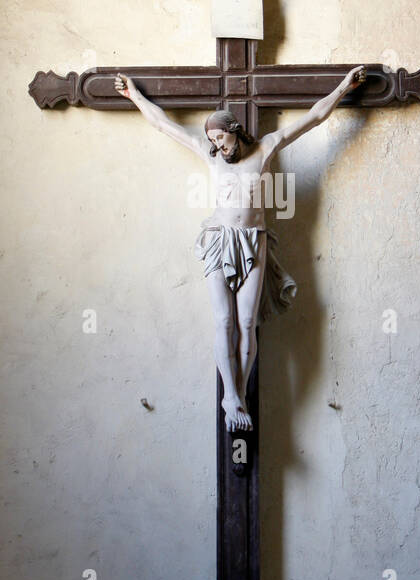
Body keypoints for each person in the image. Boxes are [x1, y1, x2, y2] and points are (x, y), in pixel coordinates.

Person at [114, 65, 366, 430]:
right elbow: (163, 124)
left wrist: (344, 87)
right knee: (224, 320)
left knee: (247, 322)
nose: (217, 146)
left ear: (234, 131)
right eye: (213, 141)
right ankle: (229, 395)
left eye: (221, 139)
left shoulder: (263, 149)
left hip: (254, 240)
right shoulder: (209, 153)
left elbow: (313, 117)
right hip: (218, 239)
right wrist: (135, 96)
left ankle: (240, 396)